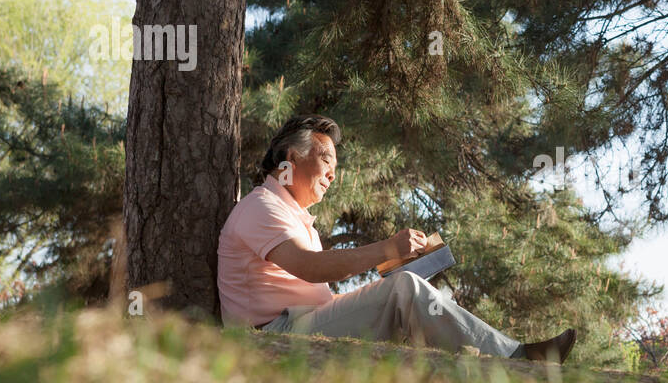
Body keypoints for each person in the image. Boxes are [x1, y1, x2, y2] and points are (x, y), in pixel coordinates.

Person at [217, 115, 576, 364]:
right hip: (273, 335)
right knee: (404, 287)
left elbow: (312, 284)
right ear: (291, 157)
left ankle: (486, 356)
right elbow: (310, 268)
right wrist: (387, 248)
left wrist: (387, 266)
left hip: (300, 323)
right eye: (326, 159)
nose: (332, 174)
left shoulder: (292, 215)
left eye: (336, 169)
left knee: (402, 284)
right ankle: (513, 357)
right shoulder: (261, 206)